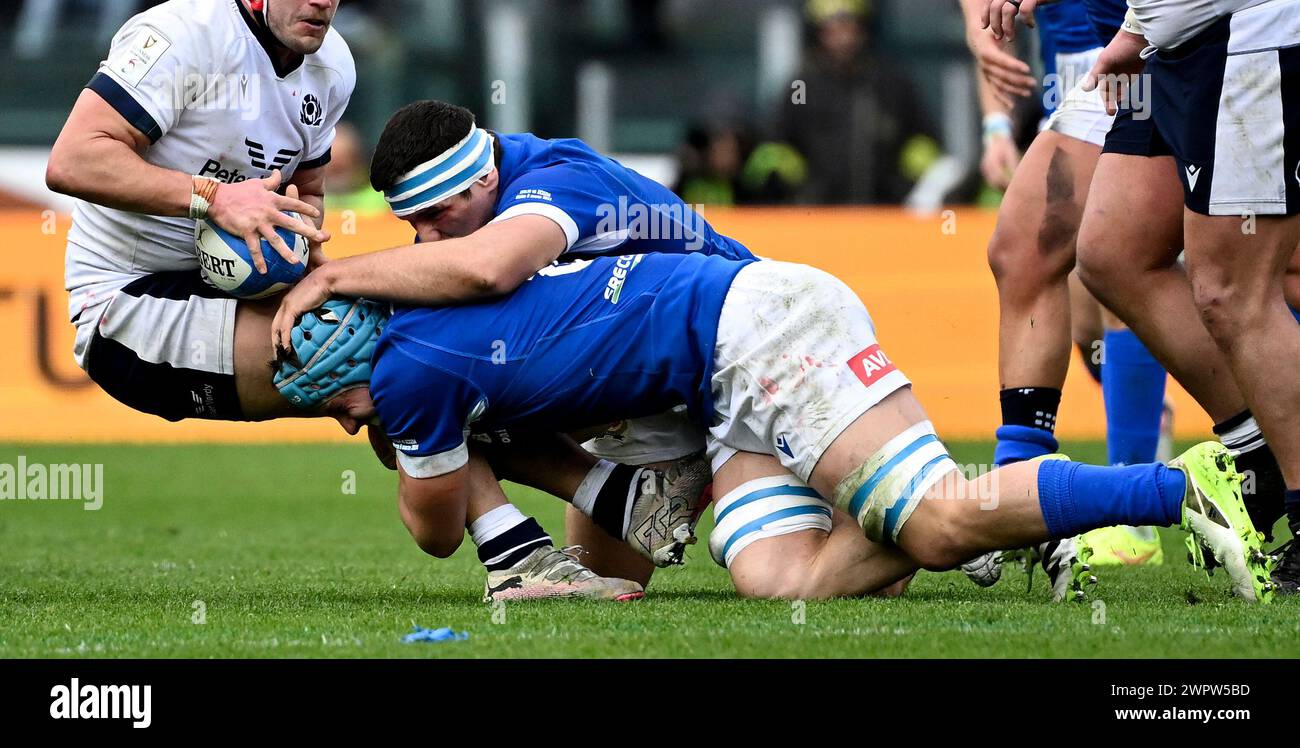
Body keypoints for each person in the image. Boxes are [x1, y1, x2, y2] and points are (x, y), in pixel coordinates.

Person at [343, 250, 1272, 602]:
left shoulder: (418, 364)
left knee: (937, 520)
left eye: (337, 404)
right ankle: (984, 522)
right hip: (717, 400)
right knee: (784, 584)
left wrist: (450, 459)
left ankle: (1187, 486)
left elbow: (431, 529)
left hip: (761, 333)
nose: (350, 424)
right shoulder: (471, 295)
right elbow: (617, 567)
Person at [985, 0, 1300, 591]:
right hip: (1173, 47)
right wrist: (1129, 29)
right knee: (1113, 253)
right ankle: (1253, 455)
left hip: (1246, 36)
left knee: (1236, 289)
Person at [271, 100, 757, 600]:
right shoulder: (478, 210)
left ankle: (515, 551)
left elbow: (489, 268)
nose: (428, 239)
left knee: (782, 580)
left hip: (738, 364)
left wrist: (333, 276)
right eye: (414, 223)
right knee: (610, 580)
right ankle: (599, 513)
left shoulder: (560, 179)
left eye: (437, 214)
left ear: (482, 179)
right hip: (655, 393)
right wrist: (396, 409)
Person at [949, 0, 1173, 579]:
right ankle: (1199, 456)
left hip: (1151, 46)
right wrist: (983, 23)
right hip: (1067, 65)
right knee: (1086, 300)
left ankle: (1123, 492)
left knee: (1116, 268)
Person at [45, 0, 364, 424]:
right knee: (368, 361)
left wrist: (312, 278)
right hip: (125, 302)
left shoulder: (333, 64)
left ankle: (530, 505)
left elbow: (306, 191)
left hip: (233, 290)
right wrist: (215, 198)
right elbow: (72, 159)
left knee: (417, 358)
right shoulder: (183, 34)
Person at [772, 0, 939, 204]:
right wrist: (802, 186)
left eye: (849, 27)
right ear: (818, 35)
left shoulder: (892, 84)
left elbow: (925, 142)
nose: (842, 38)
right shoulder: (801, 86)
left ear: (864, 31)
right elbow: (778, 147)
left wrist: (904, 185)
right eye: (831, 30)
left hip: (886, 215)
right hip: (816, 219)